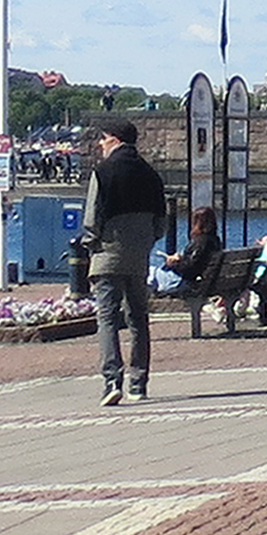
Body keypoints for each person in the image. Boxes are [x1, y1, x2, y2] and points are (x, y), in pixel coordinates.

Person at [82, 117, 169, 407]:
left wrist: (91, 245)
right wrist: (145, 242)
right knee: (138, 318)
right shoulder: (151, 174)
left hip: (107, 256)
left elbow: (92, 219)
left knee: (107, 319)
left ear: (115, 140)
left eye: (103, 138)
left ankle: (111, 380)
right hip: (139, 258)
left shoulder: (102, 172)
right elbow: (161, 222)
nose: (100, 143)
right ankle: (139, 382)